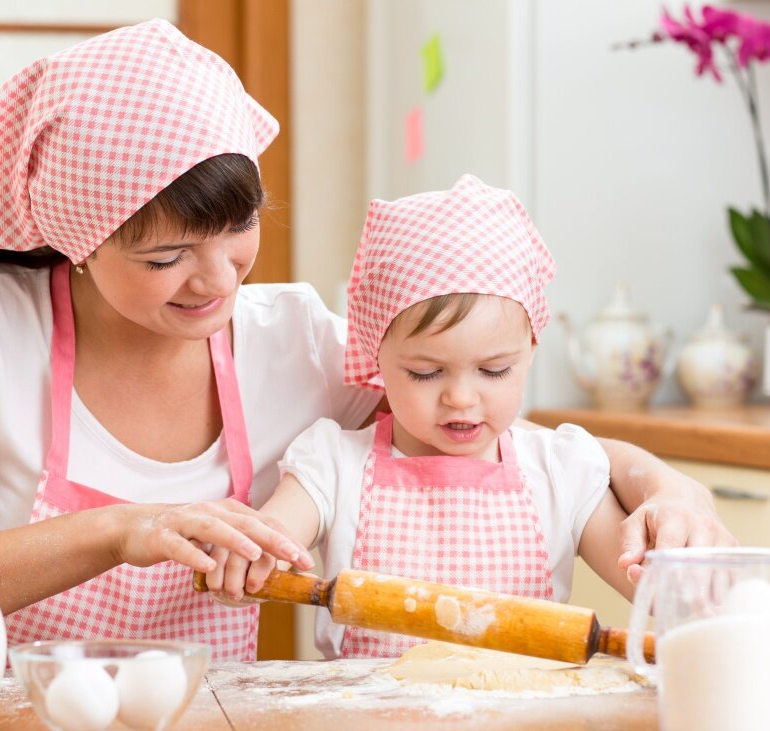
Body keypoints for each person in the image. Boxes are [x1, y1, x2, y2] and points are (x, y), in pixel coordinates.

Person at [0, 21, 732, 661]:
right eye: (169, 255)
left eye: (238, 233)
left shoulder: (291, 337)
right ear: (79, 238)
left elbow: (477, 431)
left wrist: (660, 479)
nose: (220, 282)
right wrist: (117, 532)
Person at [204, 176, 672, 658]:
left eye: (494, 370)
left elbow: (653, 587)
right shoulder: (333, 464)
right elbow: (274, 535)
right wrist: (249, 557)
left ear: (531, 350)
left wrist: (707, 589)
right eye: (426, 373)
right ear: (376, 356)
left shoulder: (561, 472)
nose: (462, 399)